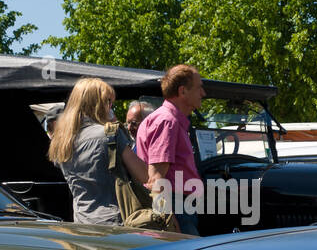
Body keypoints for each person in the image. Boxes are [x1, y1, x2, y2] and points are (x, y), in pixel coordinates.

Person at [45, 77, 151, 225]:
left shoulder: (61, 143)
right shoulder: (110, 134)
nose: (110, 107)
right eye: (108, 102)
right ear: (97, 104)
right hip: (116, 223)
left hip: (82, 223)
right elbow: (144, 175)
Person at [134, 64, 206, 234]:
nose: (203, 94)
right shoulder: (167, 121)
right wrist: (170, 221)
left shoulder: (167, 120)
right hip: (177, 209)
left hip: (179, 206)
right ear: (182, 91)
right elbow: (156, 178)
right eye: (199, 88)